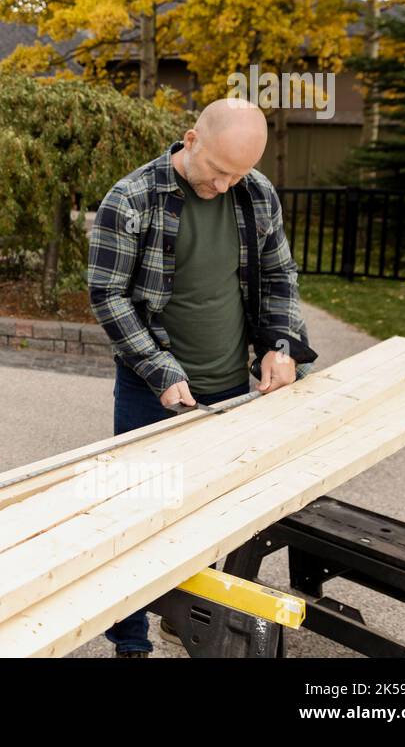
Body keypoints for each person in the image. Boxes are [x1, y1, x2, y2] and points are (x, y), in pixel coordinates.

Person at [86, 97, 318, 657]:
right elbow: (107, 294)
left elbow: (280, 275)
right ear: (191, 139)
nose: (225, 184)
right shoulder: (133, 198)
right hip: (151, 388)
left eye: (238, 173)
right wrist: (159, 368)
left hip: (232, 385)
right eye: (217, 170)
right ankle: (130, 640)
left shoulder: (254, 192)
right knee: (139, 517)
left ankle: (186, 609)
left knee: (209, 514)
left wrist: (280, 346)